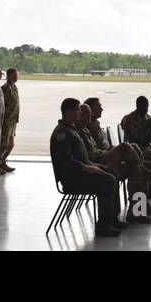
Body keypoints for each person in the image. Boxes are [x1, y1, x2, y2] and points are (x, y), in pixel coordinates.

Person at [50, 99, 124, 237]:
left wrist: (96, 165)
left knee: (113, 173)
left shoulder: (72, 129)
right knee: (108, 180)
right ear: (69, 112)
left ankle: (113, 218)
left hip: (81, 173)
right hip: (73, 179)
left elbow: (83, 157)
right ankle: (104, 225)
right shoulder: (62, 133)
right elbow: (67, 162)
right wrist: (88, 168)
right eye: (77, 110)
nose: (79, 113)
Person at [119, 96, 151, 191]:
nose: (145, 108)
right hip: (133, 147)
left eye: (146, 106)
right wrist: (145, 127)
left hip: (146, 145)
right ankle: (147, 183)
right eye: (142, 106)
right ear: (137, 106)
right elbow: (132, 138)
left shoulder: (149, 118)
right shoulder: (129, 118)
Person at [0, 68, 20, 173]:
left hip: (13, 120)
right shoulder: (5, 88)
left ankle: (2, 162)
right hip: (6, 121)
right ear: (9, 76)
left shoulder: (14, 87)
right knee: (4, 144)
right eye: (14, 75)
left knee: (10, 144)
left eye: (16, 75)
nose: (16, 77)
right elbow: (2, 105)